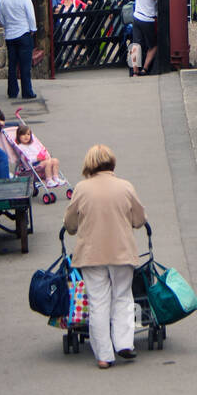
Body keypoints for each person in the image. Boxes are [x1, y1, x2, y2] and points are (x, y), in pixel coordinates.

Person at [63, 144, 146, 368]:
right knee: (123, 296)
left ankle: (104, 356)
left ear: (89, 164)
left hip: (91, 254)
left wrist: (75, 226)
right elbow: (139, 220)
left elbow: (70, 224)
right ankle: (124, 343)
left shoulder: (81, 189)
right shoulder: (125, 186)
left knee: (98, 303)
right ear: (112, 162)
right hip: (121, 252)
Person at [0, 0, 38, 100]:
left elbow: (1, 19)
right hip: (23, 33)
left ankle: (12, 91)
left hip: (10, 35)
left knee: (12, 64)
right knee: (25, 65)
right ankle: (27, 91)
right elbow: (31, 16)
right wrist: (33, 29)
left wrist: (8, 27)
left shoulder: (3, 0)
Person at [131, 0, 161, 76]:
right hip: (148, 19)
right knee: (153, 45)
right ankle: (145, 69)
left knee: (136, 44)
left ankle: (135, 70)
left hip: (136, 16)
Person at [14, 121, 61, 187]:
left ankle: (56, 177)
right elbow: (27, 158)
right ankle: (49, 180)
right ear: (19, 136)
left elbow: (38, 152)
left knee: (55, 160)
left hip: (40, 162)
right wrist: (37, 158)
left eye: (28, 134)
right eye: (23, 134)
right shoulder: (20, 147)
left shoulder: (32, 145)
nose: (26, 136)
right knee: (48, 162)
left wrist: (44, 156)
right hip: (32, 166)